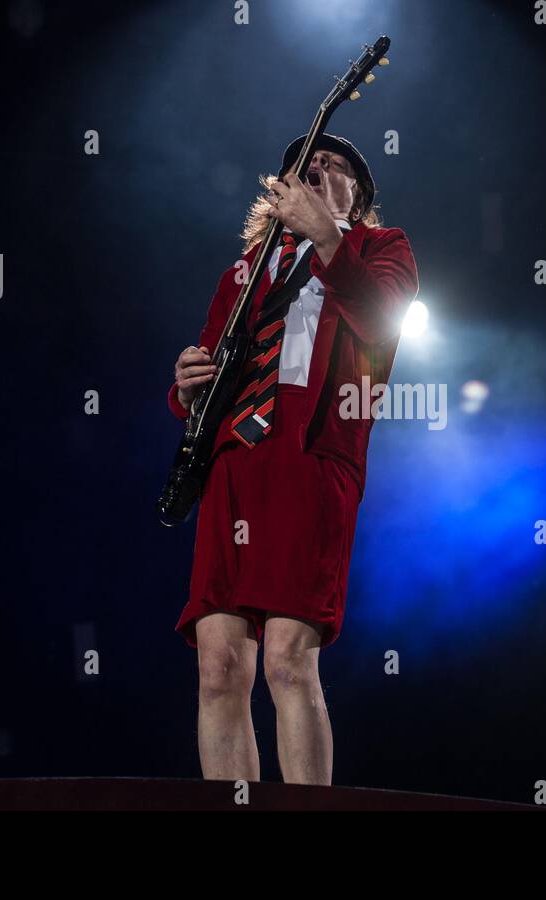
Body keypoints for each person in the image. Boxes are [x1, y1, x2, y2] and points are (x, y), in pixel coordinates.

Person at [167, 133, 418, 785]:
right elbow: (207, 380)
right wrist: (187, 384)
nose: (318, 169)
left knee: (286, 658)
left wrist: (329, 240)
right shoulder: (242, 275)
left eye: (335, 168)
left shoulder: (380, 249)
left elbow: (383, 320)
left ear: (357, 198)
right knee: (218, 666)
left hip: (309, 460)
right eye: (306, 165)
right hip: (234, 461)